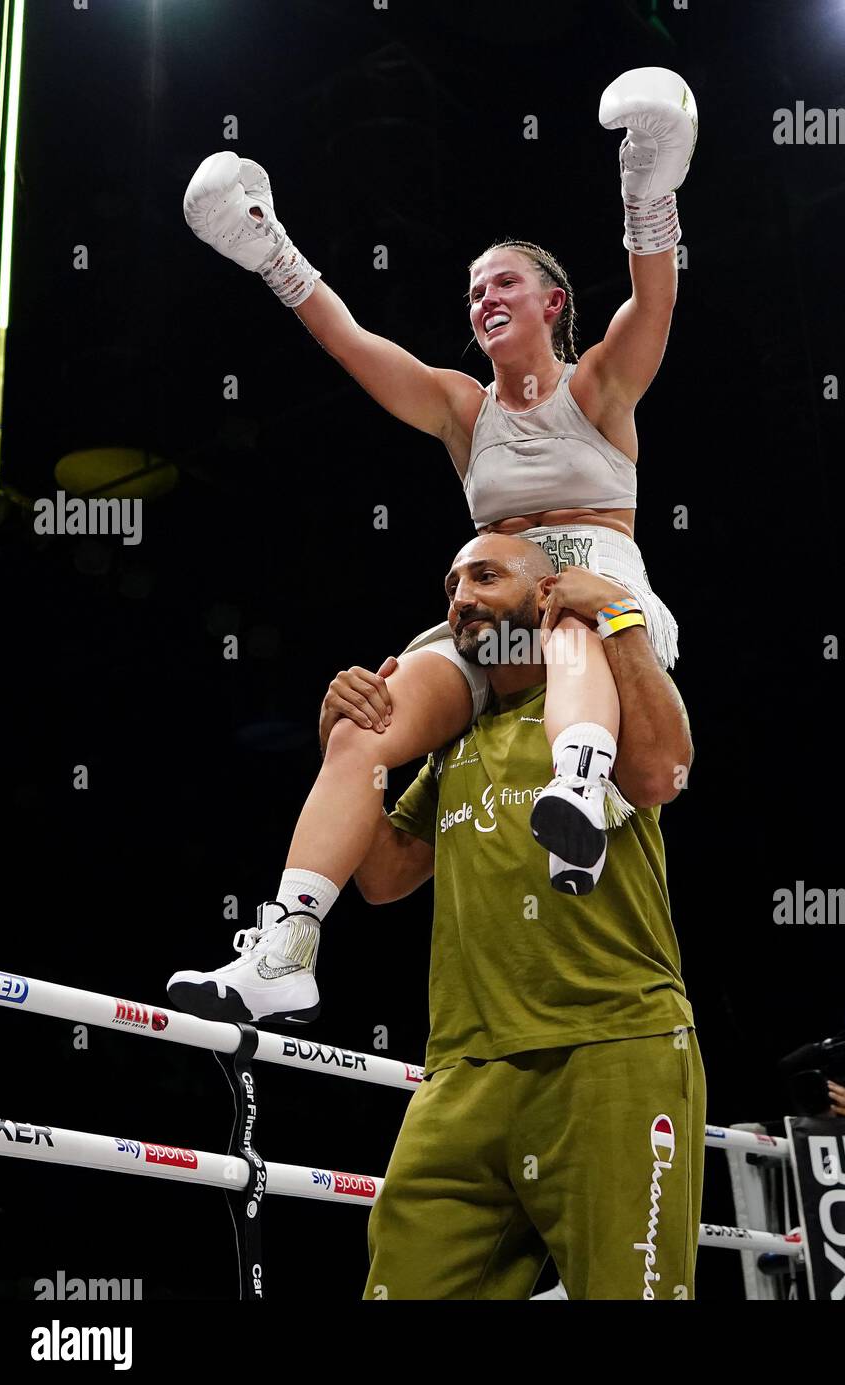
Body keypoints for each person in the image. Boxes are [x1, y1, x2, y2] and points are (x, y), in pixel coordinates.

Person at [167, 67, 699, 1026]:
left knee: (570, 614)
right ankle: (289, 940)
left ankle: (576, 792)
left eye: (502, 283)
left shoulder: (600, 389)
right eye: (470, 290)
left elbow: (651, 303)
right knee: (367, 722)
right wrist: (269, 248)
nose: (480, 299)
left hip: (594, 591)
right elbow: (350, 342)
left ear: (551, 304)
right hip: (493, 610)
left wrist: (647, 184)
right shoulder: (464, 410)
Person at [347, 530, 703, 1299]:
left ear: (547, 592)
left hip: (611, 1048)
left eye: (484, 576)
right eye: (450, 585)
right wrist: (348, 744)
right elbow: (380, 878)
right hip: (463, 1069)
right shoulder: (454, 747)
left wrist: (620, 619)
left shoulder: (594, 712)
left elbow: (661, 773)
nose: (461, 598)